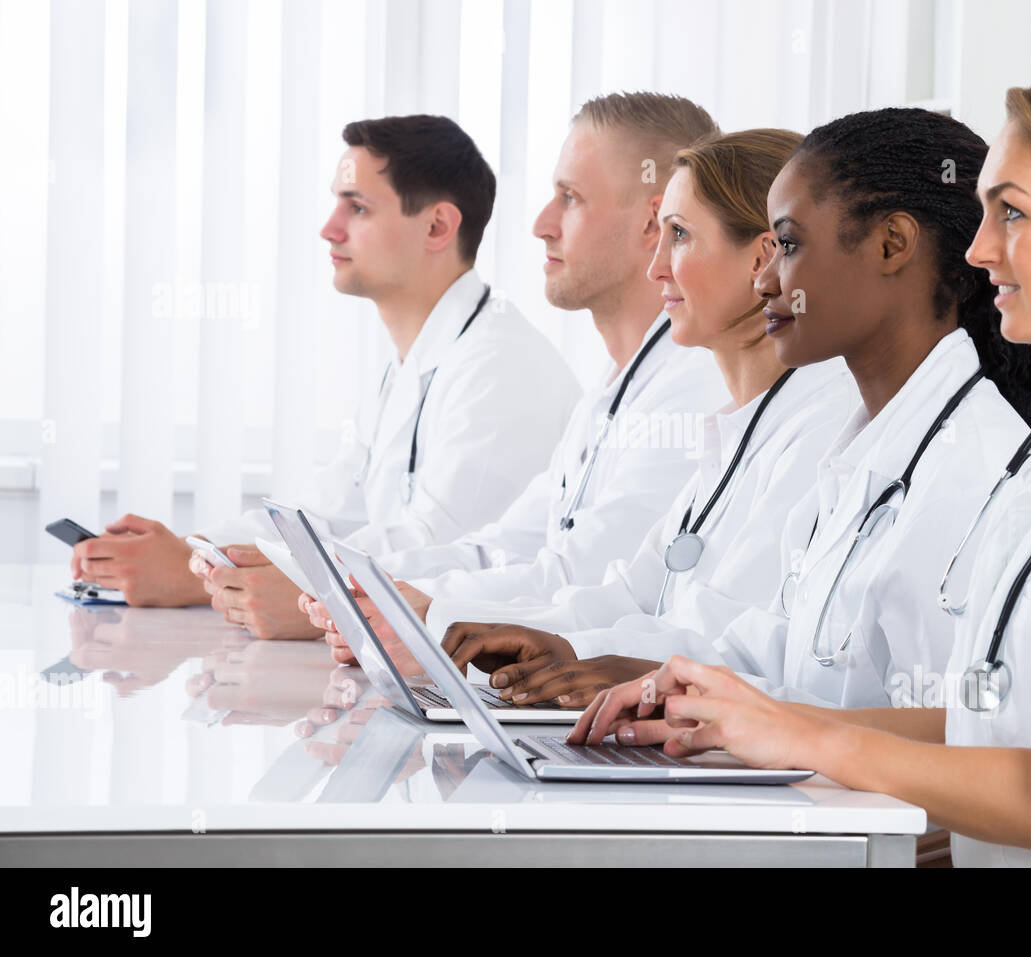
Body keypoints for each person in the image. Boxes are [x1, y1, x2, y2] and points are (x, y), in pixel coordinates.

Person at [572, 63, 1031, 868]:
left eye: (1012, 214)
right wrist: (739, 714)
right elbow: (986, 725)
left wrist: (795, 731)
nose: (981, 247)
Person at [433, 108, 1031, 709]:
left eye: (788, 247)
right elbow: (779, 649)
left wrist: (698, 696)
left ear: (890, 245)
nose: (767, 281)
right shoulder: (864, 452)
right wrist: (612, 662)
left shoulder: (968, 467)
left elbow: (942, 743)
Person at [309, 130, 859, 693]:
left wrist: (445, 622)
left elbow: (726, 644)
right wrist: (447, 621)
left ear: (762, 260)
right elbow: (627, 593)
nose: (657, 269)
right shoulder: (728, 421)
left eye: (681, 237)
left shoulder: (814, 424)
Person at [73, 115, 579, 636]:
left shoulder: (502, 368)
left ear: (437, 227)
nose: (329, 228)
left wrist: (196, 577)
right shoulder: (409, 362)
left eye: (356, 207)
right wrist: (198, 551)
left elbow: (440, 546)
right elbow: (325, 513)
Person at [359, 93, 729, 610]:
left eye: (570, 197)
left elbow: (584, 575)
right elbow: (506, 548)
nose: (542, 223)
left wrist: (416, 606)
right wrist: (358, 585)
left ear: (654, 223)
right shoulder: (610, 390)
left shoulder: (696, 388)